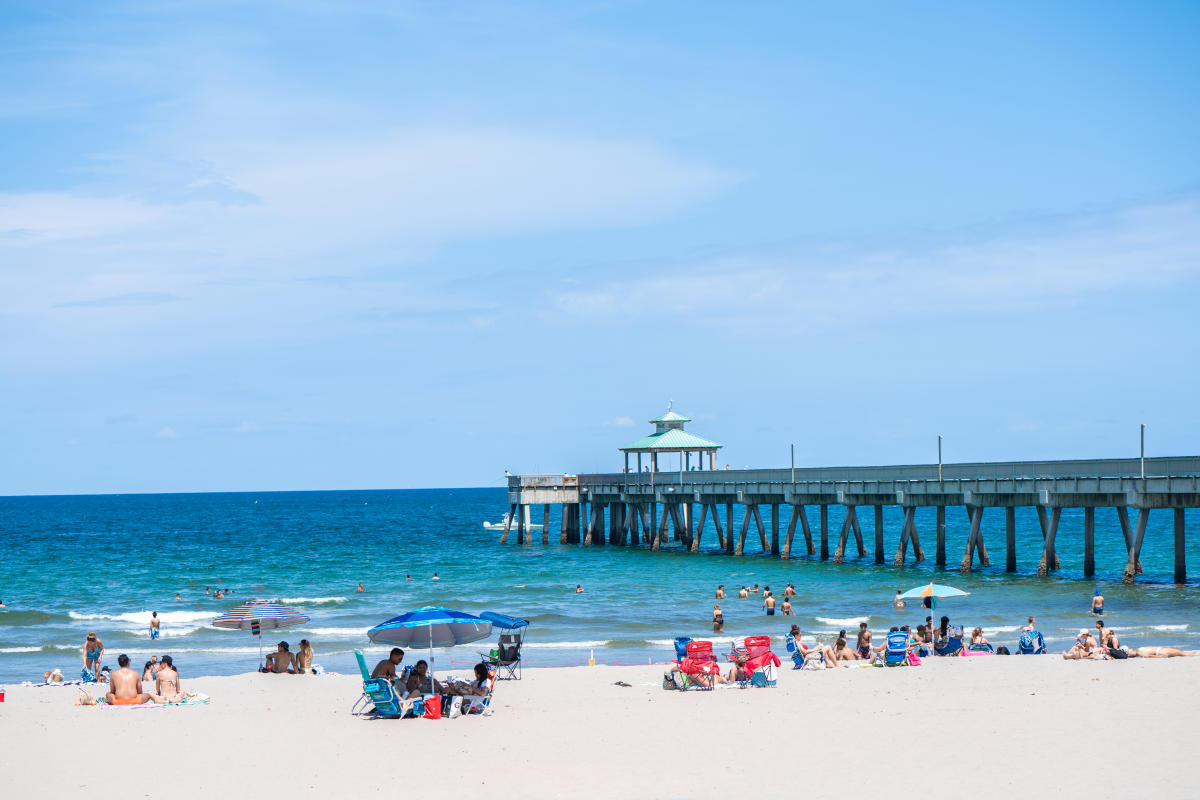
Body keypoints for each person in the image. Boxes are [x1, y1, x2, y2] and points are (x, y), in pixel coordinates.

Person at [1126, 646, 1197, 658]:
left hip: (1162, 651)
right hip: (1162, 650)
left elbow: (1148, 656)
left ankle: (1197, 655)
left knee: (1185, 654)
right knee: (1185, 654)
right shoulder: (1139, 650)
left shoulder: (1138, 651)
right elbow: (1148, 655)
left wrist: (1160, 656)